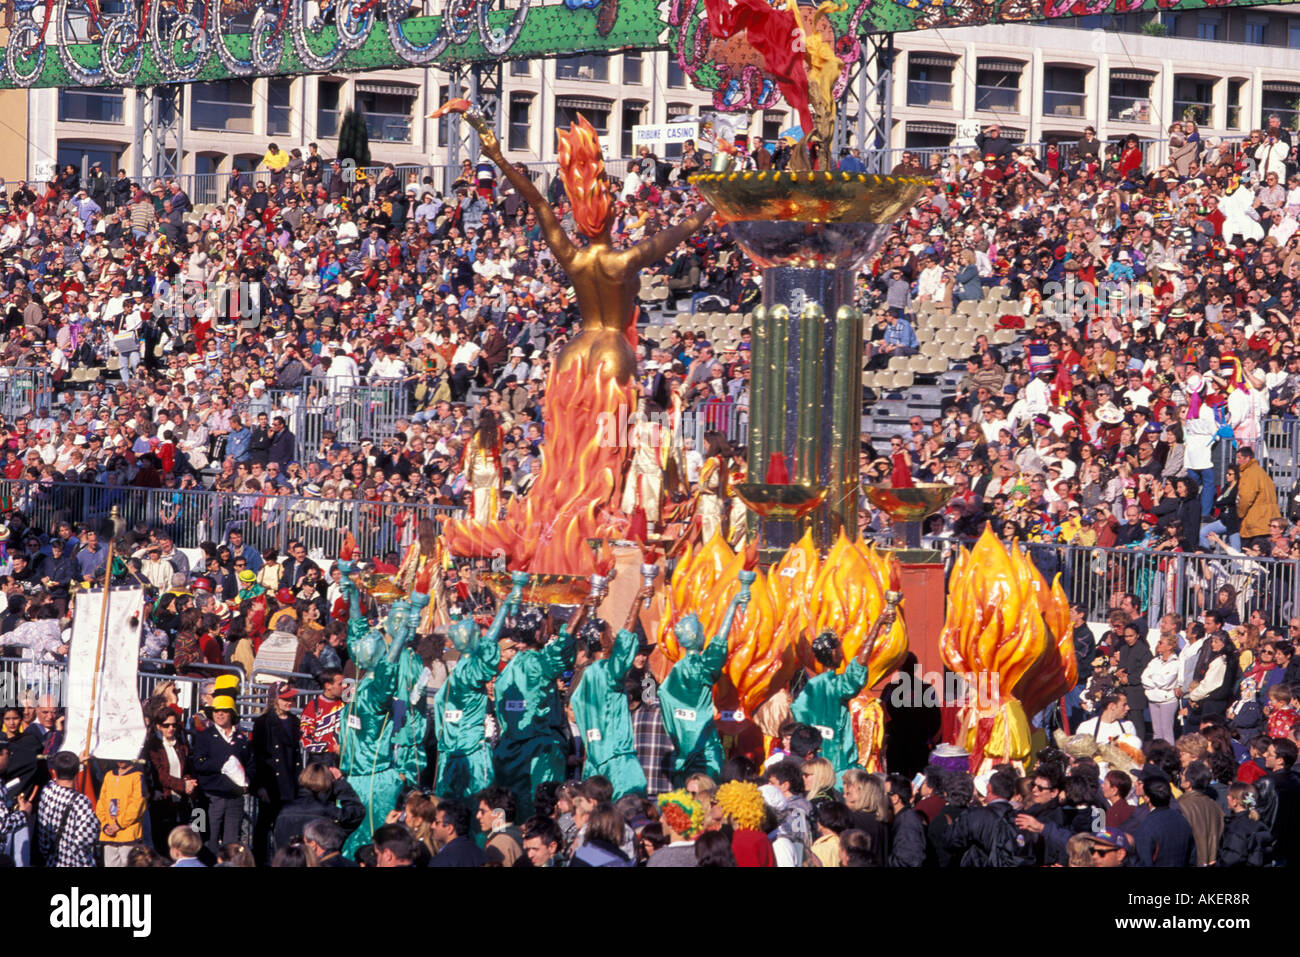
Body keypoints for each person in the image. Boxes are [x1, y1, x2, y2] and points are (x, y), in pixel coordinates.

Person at [659, 571, 752, 785]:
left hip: (683, 751)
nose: (704, 633)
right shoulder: (695, 668)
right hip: (703, 749)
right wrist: (733, 606)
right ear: (695, 637)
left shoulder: (676, 670)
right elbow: (718, 647)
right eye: (701, 630)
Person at [791, 599, 899, 776]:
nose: (842, 653)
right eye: (840, 649)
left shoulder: (810, 688)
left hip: (812, 766)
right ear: (834, 653)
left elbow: (797, 717)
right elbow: (859, 666)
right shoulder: (835, 685)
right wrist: (877, 625)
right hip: (837, 766)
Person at [190, 691, 253, 854]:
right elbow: (198, 763)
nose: (220, 714)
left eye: (224, 711)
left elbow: (251, 764)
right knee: (206, 840)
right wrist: (224, 764)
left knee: (232, 844)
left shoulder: (242, 739)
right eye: (216, 711)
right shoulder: (204, 737)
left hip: (235, 799)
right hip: (210, 798)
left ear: (231, 714)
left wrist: (248, 782)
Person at [35, 751, 98, 867]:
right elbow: (87, 839)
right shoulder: (81, 801)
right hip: (75, 862)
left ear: (54, 771)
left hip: (51, 859)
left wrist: (76, 764)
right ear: (75, 772)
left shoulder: (47, 791)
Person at [95, 758, 147, 867]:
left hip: (128, 833)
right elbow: (101, 802)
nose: (120, 761)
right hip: (109, 834)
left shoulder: (137, 776)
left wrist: (119, 824)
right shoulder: (109, 775)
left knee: (128, 863)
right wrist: (104, 825)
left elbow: (137, 805)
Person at [429, 800, 487, 867]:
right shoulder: (481, 854)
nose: (432, 826)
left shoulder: (442, 860)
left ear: (450, 828)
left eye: (437, 822)